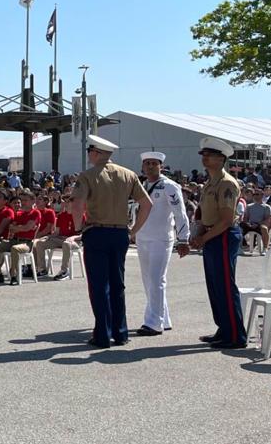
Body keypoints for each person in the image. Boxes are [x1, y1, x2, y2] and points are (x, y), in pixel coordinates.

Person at [71, 135, 152, 349]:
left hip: (97, 232)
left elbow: (77, 204)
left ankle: (103, 334)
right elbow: (147, 204)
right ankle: (121, 332)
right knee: (118, 284)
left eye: (90, 151)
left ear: (95, 152)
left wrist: (78, 227)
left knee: (99, 286)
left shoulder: (88, 175)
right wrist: (133, 231)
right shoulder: (128, 174)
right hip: (120, 233)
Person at [190, 137, 247, 349]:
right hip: (212, 235)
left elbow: (225, 219)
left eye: (210, 155)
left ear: (221, 159)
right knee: (215, 286)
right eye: (204, 154)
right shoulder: (210, 183)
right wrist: (200, 234)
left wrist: (203, 238)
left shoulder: (226, 183)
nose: (205, 158)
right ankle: (224, 328)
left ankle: (235, 334)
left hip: (222, 236)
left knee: (224, 285)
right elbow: (204, 213)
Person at [134, 152, 191, 337]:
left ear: (161, 166)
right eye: (147, 163)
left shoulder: (169, 186)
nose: (150, 166)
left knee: (157, 280)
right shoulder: (142, 185)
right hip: (143, 238)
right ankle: (163, 318)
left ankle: (153, 323)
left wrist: (184, 239)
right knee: (148, 281)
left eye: (154, 163)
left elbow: (180, 213)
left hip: (161, 239)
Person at [240, 189, 271, 253]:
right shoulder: (249, 206)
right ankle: (239, 247)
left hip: (260, 225)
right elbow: (246, 217)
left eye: (257, 194)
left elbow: (267, 219)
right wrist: (248, 223)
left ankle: (265, 248)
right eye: (254, 194)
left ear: (262, 195)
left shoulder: (267, 207)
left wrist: (257, 224)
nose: (255, 196)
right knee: (239, 227)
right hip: (250, 224)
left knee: (264, 228)